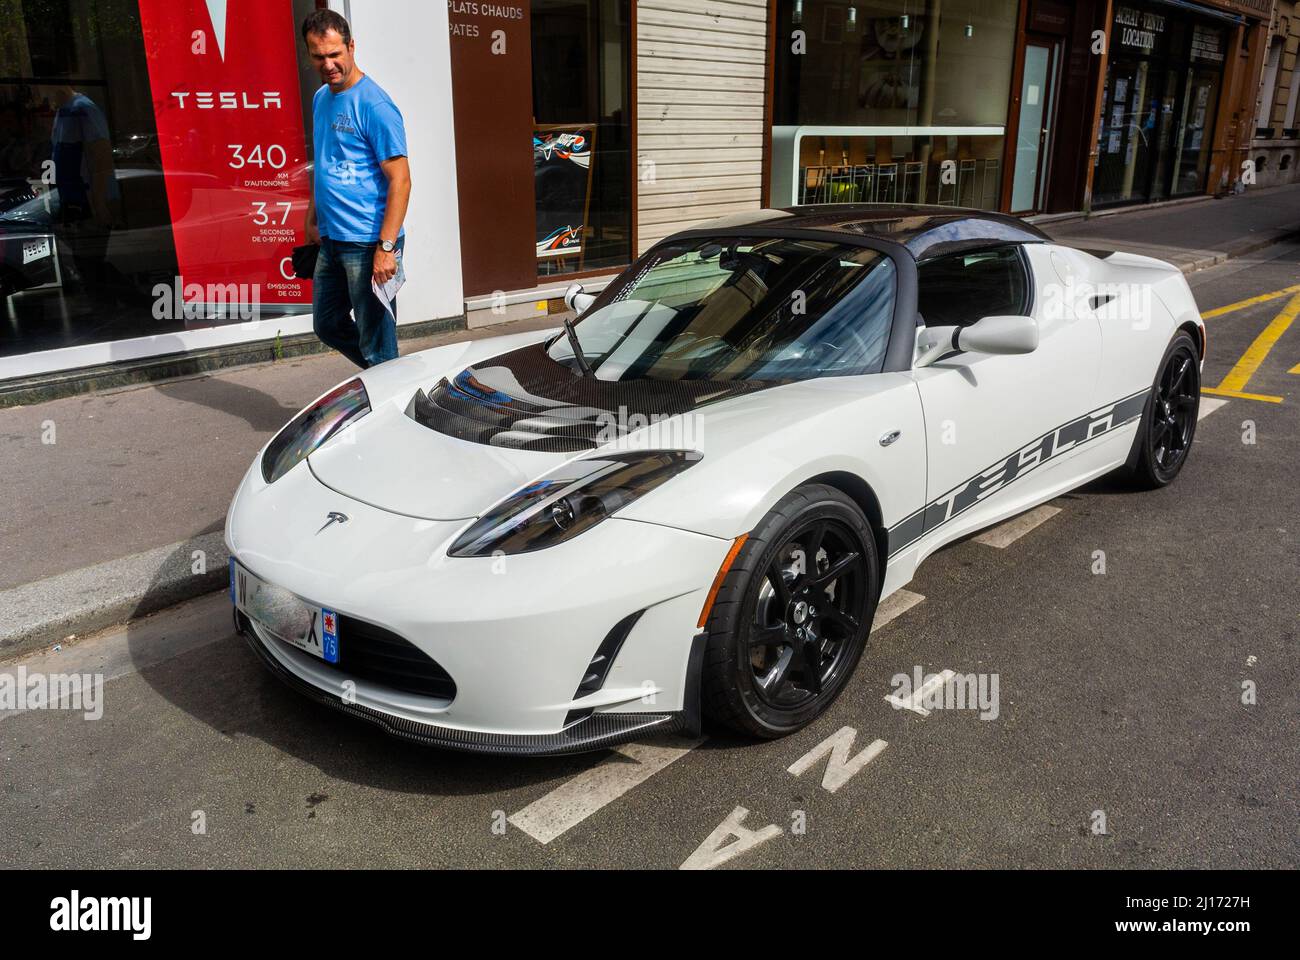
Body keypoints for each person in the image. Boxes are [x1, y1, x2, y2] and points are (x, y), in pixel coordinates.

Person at [302, 9, 411, 367]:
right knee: (328, 324)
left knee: (377, 343)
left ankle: (389, 394)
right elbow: (325, 162)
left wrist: (386, 247)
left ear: (351, 46)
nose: (328, 64)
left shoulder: (375, 104)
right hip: (333, 240)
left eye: (335, 54)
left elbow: (401, 179)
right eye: (319, 56)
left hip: (368, 242)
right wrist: (313, 217)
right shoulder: (322, 98)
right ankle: (385, 380)